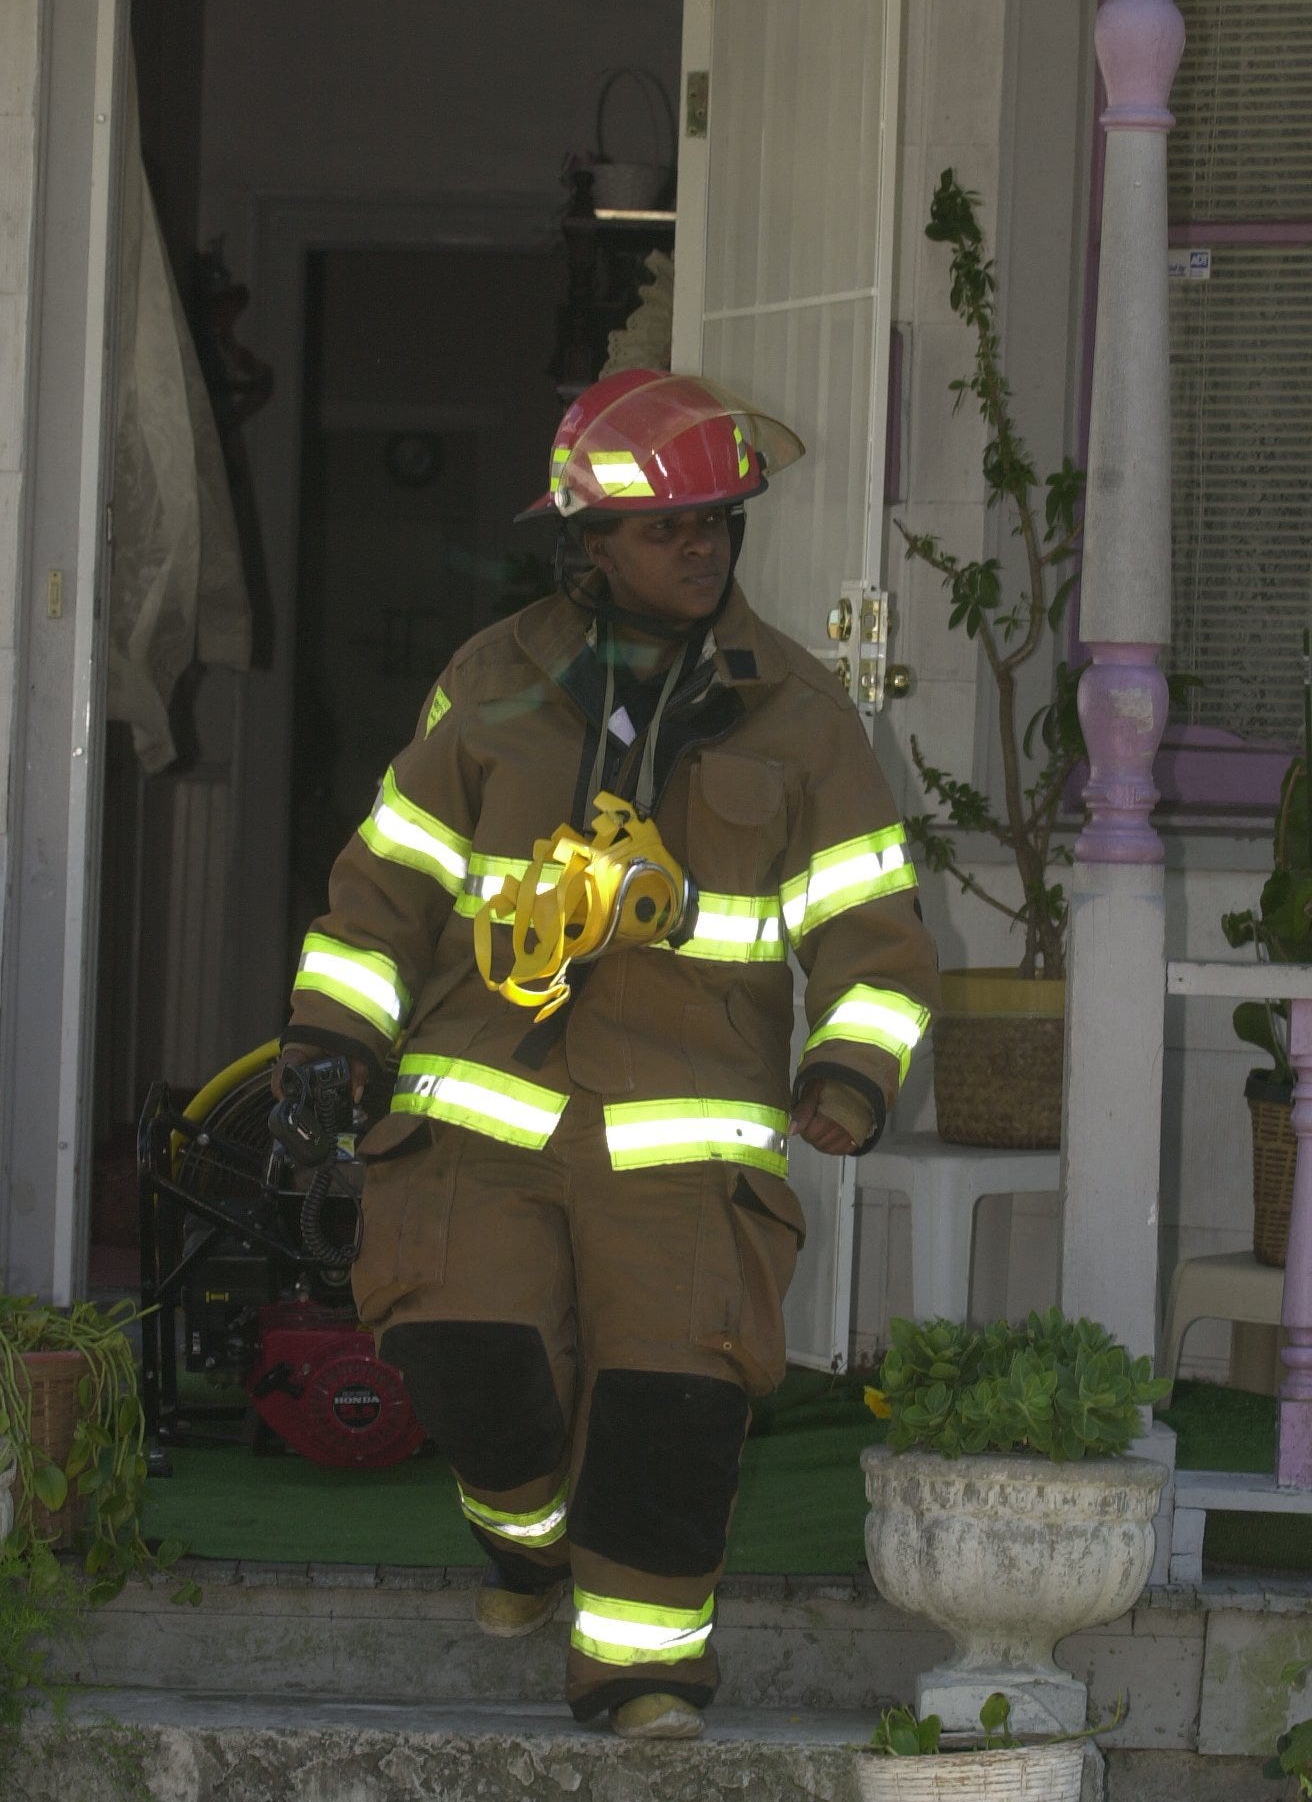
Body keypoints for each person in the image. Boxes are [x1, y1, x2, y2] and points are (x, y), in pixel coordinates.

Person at [275, 369, 939, 1739]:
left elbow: (873, 928)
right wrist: (330, 1039)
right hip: (481, 1109)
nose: (701, 550)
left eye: (718, 525)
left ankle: (640, 1675)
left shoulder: (805, 718)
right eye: (667, 529)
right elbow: (386, 881)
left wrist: (852, 1070)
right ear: (588, 540)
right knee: (469, 1360)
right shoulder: (494, 683)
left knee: (668, 1405)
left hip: (685, 1140)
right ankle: (527, 1541)